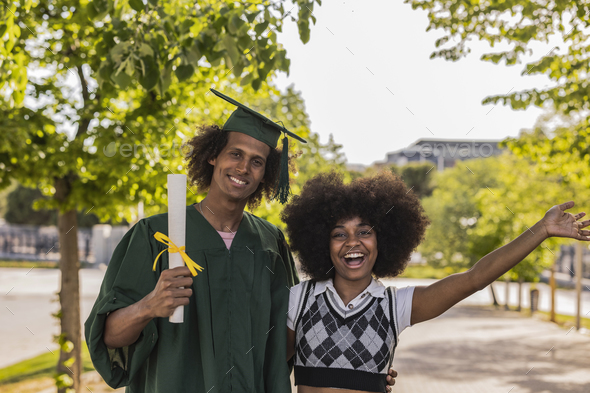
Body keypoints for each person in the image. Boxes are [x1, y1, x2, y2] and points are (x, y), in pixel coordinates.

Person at [280, 171, 590, 393]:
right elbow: (271, 367)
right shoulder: (300, 298)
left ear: (383, 239)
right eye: (339, 234)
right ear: (322, 242)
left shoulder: (395, 306)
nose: (352, 243)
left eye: (364, 231)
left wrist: (542, 230)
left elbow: (475, 278)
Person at [85, 89, 305, 393]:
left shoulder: (271, 244)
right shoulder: (155, 236)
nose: (243, 168)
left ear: (266, 173)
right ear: (213, 156)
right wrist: (149, 306)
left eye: (257, 161)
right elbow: (108, 337)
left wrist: (363, 374)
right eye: (236, 154)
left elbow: (286, 342)